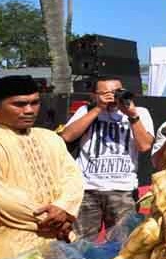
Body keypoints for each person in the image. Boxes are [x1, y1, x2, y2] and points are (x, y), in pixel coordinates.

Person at [0, 76, 83, 259]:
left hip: (60, 243)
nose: (29, 110)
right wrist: (54, 219)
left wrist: (64, 207)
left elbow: (73, 178)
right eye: (19, 104)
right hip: (12, 250)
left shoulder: (51, 138)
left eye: (35, 103)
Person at [61, 78, 154, 241]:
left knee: (123, 244)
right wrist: (98, 108)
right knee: (79, 243)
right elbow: (67, 136)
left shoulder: (140, 112)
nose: (111, 98)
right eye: (105, 93)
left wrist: (132, 115)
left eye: (116, 92)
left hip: (123, 189)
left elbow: (145, 146)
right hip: (87, 189)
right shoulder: (86, 110)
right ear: (94, 95)